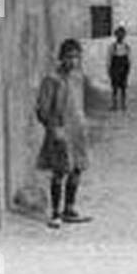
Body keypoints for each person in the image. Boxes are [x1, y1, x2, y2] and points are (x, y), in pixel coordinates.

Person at [35, 38, 91, 229]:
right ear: (61, 58)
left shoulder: (78, 77)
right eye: (69, 57)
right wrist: (54, 130)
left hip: (78, 132)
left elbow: (79, 103)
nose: (73, 61)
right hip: (60, 131)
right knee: (59, 172)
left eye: (76, 57)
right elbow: (42, 109)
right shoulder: (52, 80)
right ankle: (55, 213)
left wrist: (83, 123)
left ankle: (69, 208)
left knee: (77, 169)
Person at [107, 25, 132, 112]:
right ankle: (114, 104)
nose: (120, 36)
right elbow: (109, 58)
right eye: (118, 34)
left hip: (123, 68)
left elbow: (129, 59)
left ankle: (123, 104)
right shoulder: (112, 47)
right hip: (115, 68)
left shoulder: (126, 47)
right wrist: (109, 69)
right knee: (114, 88)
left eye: (122, 34)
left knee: (123, 88)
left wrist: (128, 69)